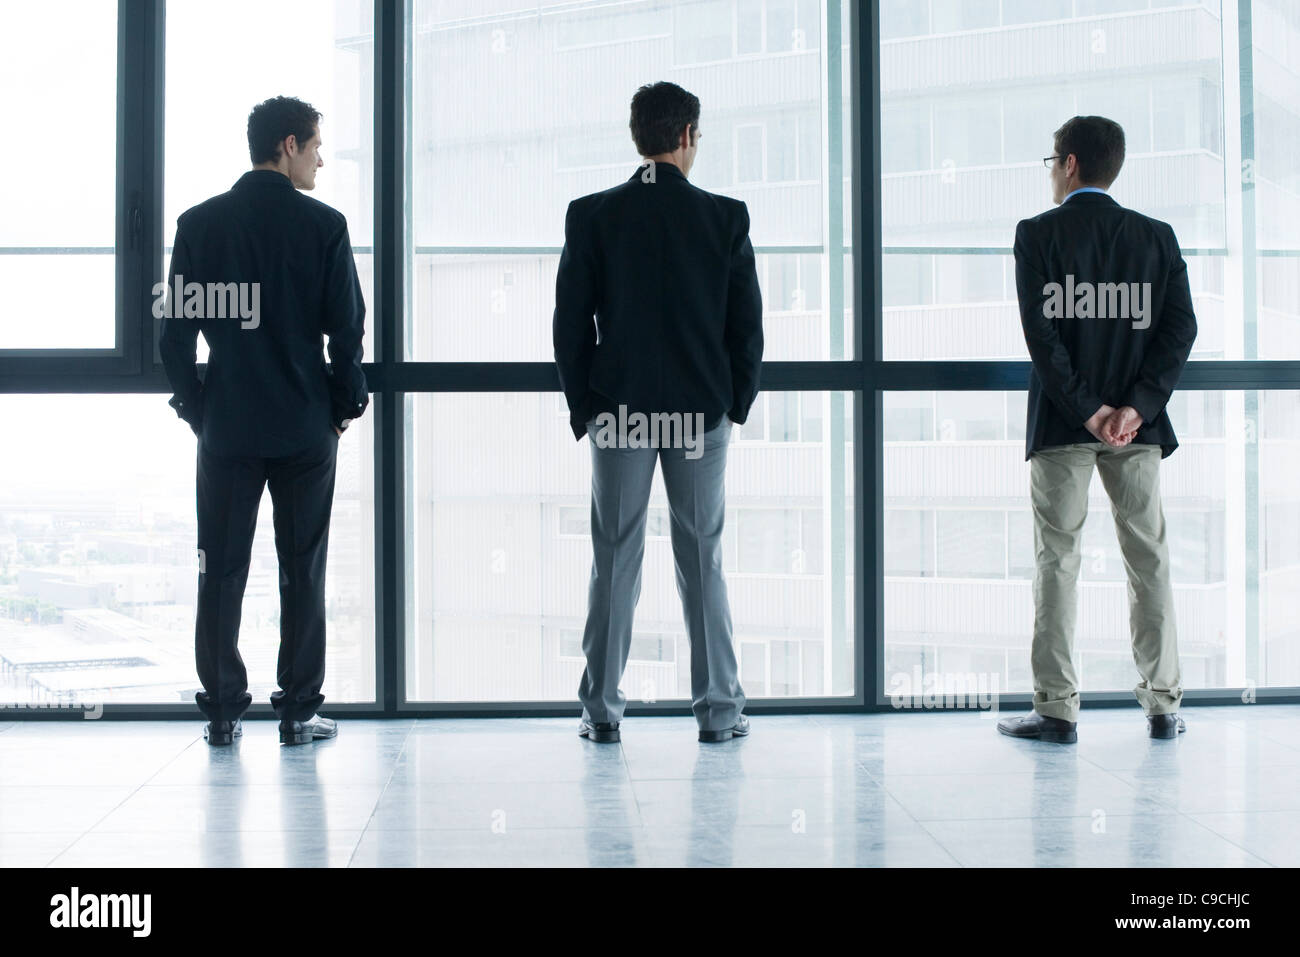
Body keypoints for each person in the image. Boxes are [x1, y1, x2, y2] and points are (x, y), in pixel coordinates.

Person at [553, 81, 763, 744]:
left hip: (619, 410)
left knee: (614, 556)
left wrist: (583, 405)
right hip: (700, 411)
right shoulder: (725, 217)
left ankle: (603, 710)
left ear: (639, 135)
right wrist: (736, 403)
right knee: (701, 557)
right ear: (687, 137)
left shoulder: (592, 215)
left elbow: (569, 324)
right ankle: (719, 712)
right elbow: (746, 329)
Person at [159, 96, 368, 746]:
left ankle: (223, 710)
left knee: (218, 568)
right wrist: (342, 408)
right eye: (314, 147)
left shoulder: (200, 224)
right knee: (300, 568)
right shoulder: (325, 226)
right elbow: (347, 334)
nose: (320, 159)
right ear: (287, 145)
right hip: (305, 427)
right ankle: (299, 711)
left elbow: (175, 339)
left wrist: (199, 409)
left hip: (228, 428)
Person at [998, 115, 1196, 744]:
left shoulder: (1037, 235)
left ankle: (1056, 711)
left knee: (1057, 561)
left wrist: (1089, 411)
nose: (1051, 173)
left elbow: (1043, 338)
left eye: (1051, 161)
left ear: (1071, 164)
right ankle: (1163, 706)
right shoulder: (1155, 238)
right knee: (1149, 559)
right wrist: (1134, 409)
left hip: (1064, 425)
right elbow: (1180, 329)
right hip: (1135, 431)